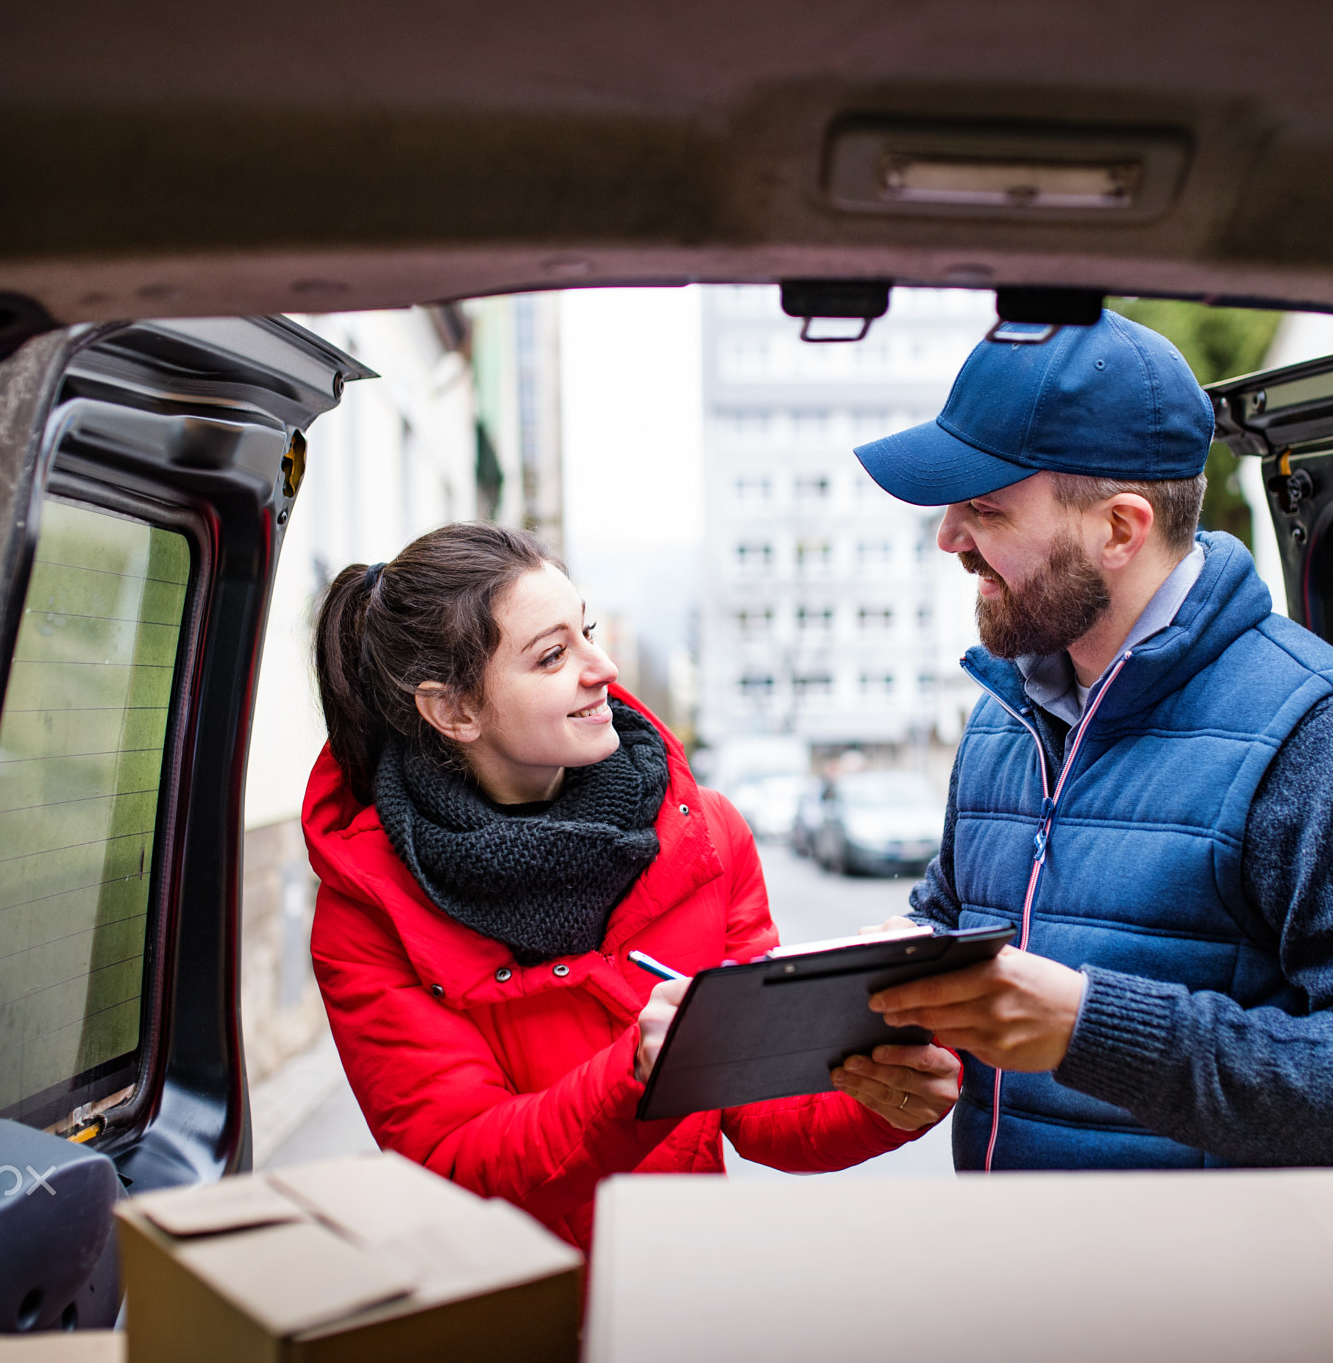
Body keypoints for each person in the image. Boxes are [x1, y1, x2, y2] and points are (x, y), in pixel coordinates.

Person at [850, 313, 1333, 1171]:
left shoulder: (1330, 736)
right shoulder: (1003, 717)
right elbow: (952, 924)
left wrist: (1093, 1030)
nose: (950, 539)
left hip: (1218, 1299)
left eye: (985, 509)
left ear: (1120, 528)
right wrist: (883, 996)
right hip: (1012, 1281)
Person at [303, 522, 959, 1250]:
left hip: (680, 1297)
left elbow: (757, 1106)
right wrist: (636, 1072)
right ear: (453, 710)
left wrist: (885, 1094)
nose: (604, 666)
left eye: (586, 630)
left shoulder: (707, 833)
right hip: (512, 1310)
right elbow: (456, 1164)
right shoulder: (370, 909)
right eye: (553, 655)